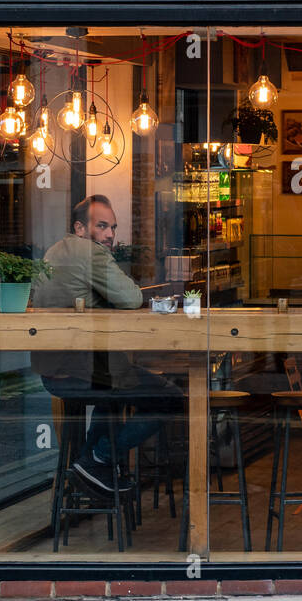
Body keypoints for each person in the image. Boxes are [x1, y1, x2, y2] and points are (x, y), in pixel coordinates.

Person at [32, 195, 182, 495]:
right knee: (172, 398)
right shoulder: (91, 253)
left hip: (52, 374)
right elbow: (131, 298)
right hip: (86, 371)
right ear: (80, 228)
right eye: (102, 226)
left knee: (111, 396)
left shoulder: (52, 253)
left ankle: (90, 469)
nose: (110, 235)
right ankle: (98, 458)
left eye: (113, 227)